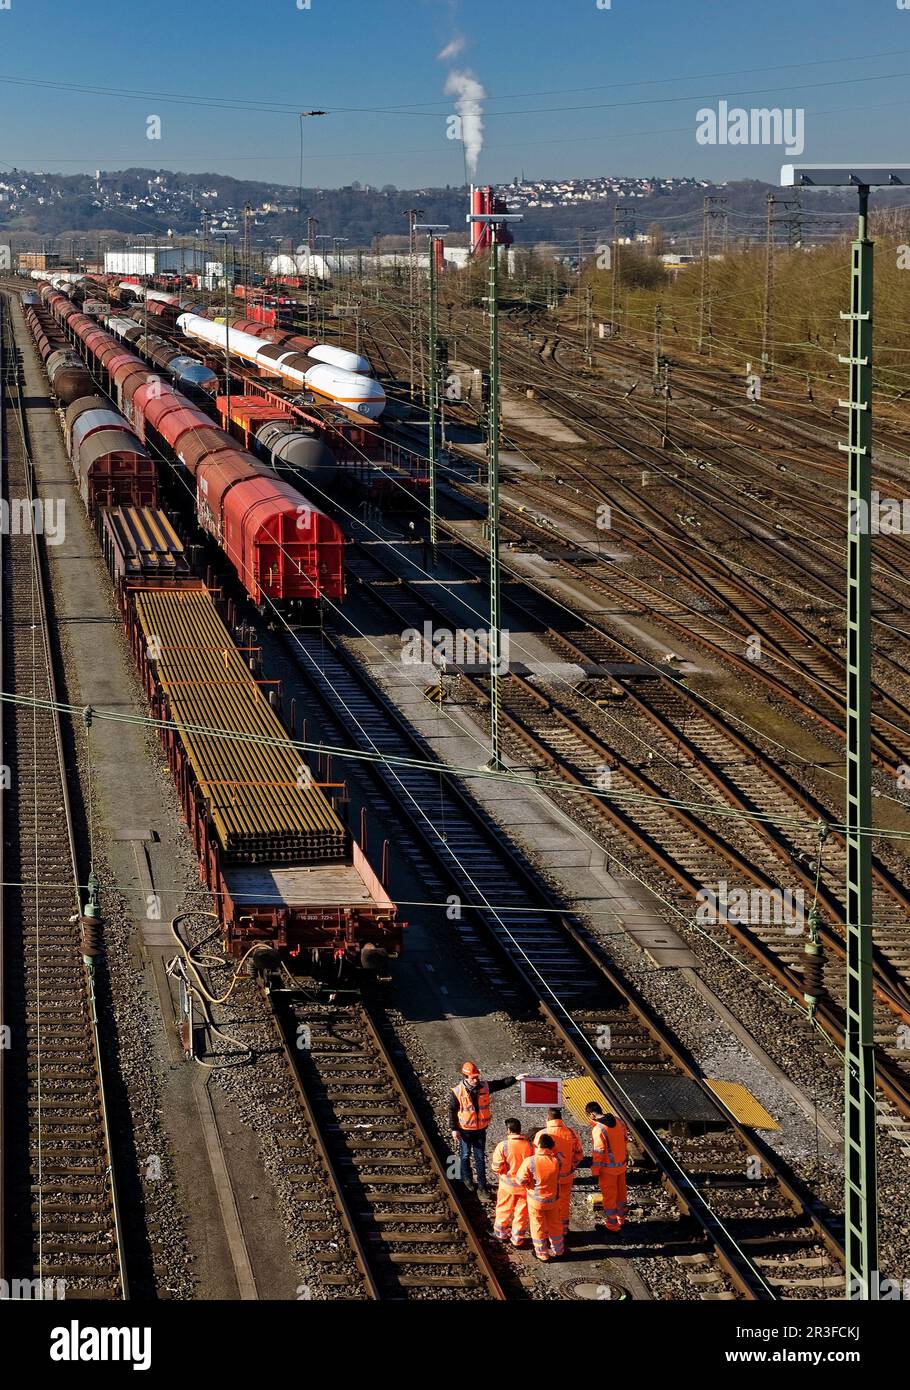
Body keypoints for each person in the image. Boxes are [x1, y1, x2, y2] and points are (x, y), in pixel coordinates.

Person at [449, 1061, 519, 1197]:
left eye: (477, 1077)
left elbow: (500, 1084)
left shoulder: (485, 1086)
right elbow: (451, 1111)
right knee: (465, 1155)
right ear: (465, 1077)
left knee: (480, 1157)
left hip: (480, 1129)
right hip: (465, 1130)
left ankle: (482, 1186)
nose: (476, 1079)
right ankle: (467, 1179)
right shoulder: (457, 1092)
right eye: (473, 1077)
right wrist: (454, 1129)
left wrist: (515, 1078)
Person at [534, 1106, 583, 1237]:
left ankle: (547, 1231)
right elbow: (579, 1155)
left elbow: (537, 1157)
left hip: (548, 1178)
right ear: (561, 1119)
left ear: (548, 1118)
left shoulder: (542, 1134)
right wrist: (571, 1167)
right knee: (564, 1202)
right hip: (567, 1176)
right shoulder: (572, 1133)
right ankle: (563, 1229)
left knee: (547, 1205)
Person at [516, 1133, 564, 1262]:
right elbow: (560, 1156)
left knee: (538, 1226)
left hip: (536, 1201)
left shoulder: (530, 1161)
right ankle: (558, 1250)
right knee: (555, 1225)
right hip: (553, 1201)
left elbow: (520, 1180)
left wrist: (529, 1184)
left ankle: (542, 1254)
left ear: (539, 1146)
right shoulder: (557, 1160)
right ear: (551, 1147)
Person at [585, 1101, 629, 1233]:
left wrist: (595, 1171)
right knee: (621, 1194)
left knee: (609, 1198)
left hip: (607, 1169)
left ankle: (612, 1225)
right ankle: (622, 1219)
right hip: (621, 1165)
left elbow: (598, 1152)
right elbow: (625, 1138)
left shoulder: (598, 1129)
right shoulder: (618, 1121)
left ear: (592, 1114)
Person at [490, 1119, 533, 1247]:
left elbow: (496, 1167)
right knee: (521, 1213)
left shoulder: (503, 1146)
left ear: (508, 1130)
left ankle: (500, 1234)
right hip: (525, 1187)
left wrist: (504, 1172)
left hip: (507, 1186)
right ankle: (517, 1239)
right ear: (520, 1130)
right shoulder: (531, 1146)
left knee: (503, 1209)